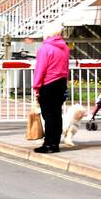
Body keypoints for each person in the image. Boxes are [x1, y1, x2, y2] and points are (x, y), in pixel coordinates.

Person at [32, 23, 70, 154]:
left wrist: (36, 86)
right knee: (56, 114)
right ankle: (55, 143)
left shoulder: (45, 48)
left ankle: (48, 144)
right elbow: (66, 68)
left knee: (48, 115)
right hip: (61, 82)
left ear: (47, 33)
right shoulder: (65, 47)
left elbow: (40, 69)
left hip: (48, 83)